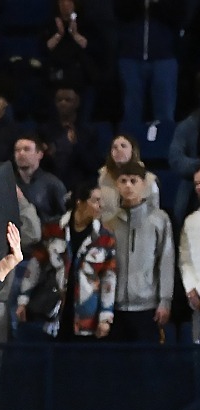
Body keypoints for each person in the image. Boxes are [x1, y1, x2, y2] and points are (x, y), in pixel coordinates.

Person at [26, 182, 117, 350]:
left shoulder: (105, 237)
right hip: (53, 312)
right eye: (95, 201)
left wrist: (106, 316)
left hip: (86, 315)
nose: (100, 206)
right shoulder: (53, 228)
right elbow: (36, 263)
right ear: (80, 202)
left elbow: (108, 278)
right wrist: (23, 298)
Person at [109, 159, 175, 343]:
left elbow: (166, 261)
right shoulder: (110, 222)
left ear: (144, 184)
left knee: (146, 365)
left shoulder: (159, 219)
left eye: (133, 181)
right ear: (116, 184)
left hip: (148, 306)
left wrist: (165, 301)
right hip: (115, 306)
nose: (128, 186)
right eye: (123, 181)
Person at [114, 0, 181, 132]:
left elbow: (180, 15)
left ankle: (164, 148)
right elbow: (119, 11)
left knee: (165, 112)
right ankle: (130, 149)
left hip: (164, 56)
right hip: (131, 55)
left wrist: (157, 4)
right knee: (131, 111)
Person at [39, 84, 106, 189]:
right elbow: (40, 165)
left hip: (80, 186)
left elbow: (94, 165)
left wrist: (76, 145)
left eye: (68, 100)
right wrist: (48, 154)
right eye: (59, 100)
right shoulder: (44, 131)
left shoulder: (88, 132)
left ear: (77, 102)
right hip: (51, 185)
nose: (63, 103)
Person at [99, 133, 159, 222]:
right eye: (115, 147)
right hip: (109, 229)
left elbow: (155, 212)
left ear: (133, 151)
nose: (119, 149)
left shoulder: (149, 180)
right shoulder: (102, 178)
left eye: (123, 146)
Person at [11, 135, 68, 224]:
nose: (21, 153)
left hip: (44, 234)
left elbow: (65, 217)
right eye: (17, 150)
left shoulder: (52, 184)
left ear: (40, 154)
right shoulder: (8, 183)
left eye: (26, 149)